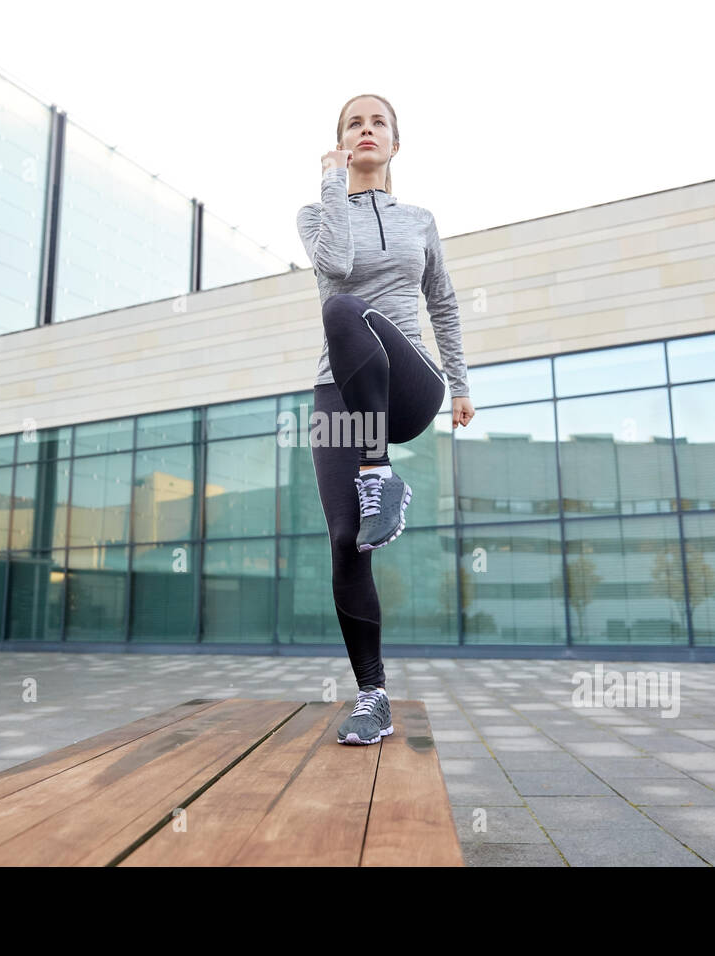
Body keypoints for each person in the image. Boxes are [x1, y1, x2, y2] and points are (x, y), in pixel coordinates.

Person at [295, 93, 476, 745]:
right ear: (341, 143)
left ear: (396, 144)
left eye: (378, 123)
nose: (366, 129)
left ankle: (380, 473)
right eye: (353, 123)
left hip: (410, 385)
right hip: (337, 394)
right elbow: (337, 266)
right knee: (346, 539)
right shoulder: (318, 213)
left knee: (345, 311)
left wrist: (459, 383)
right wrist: (332, 183)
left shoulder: (420, 221)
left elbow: (445, 304)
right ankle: (373, 695)